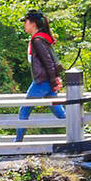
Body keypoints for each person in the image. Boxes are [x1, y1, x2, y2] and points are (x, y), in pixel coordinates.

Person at [16, 10, 65, 142]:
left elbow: (48, 62)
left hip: (42, 82)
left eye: (25, 22)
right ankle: (77, 132)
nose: (24, 25)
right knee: (59, 112)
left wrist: (53, 82)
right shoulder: (41, 38)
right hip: (47, 81)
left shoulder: (37, 40)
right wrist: (54, 80)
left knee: (24, 110)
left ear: (32, 23)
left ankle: (17, 143)